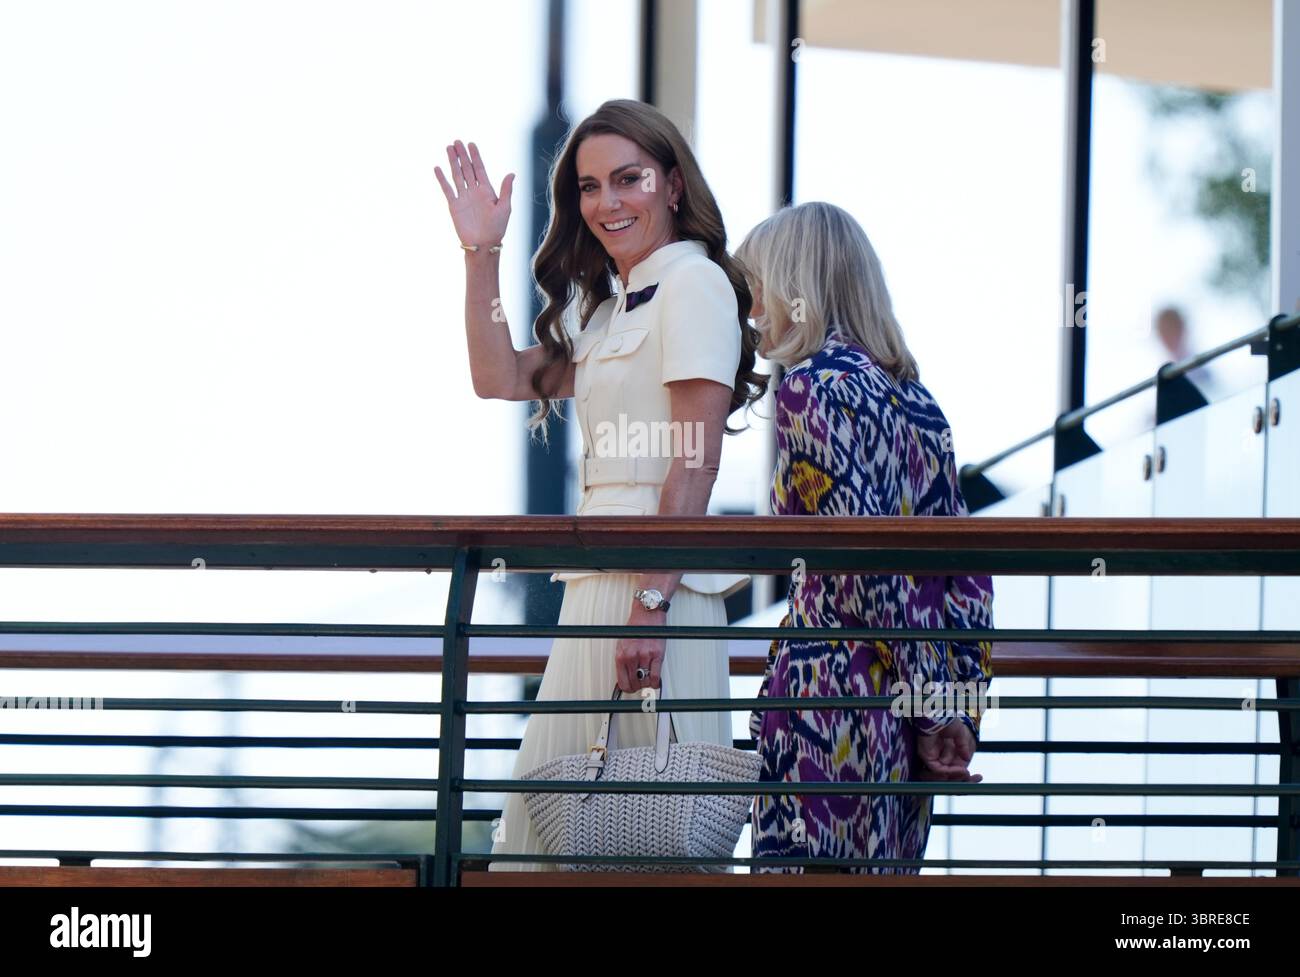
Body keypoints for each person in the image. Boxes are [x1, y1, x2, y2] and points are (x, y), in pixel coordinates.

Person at [435, 99, 765, 871]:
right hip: (594, 590)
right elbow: (499, 376)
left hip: (658, 592)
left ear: (673, 185)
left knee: (648, 844)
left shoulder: (695, 284)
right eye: (589, 187)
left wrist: (650, 605)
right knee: (543, 838)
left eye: (629, 179)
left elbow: (695, 459)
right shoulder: (606, 304)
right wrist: (481, 252)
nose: (607, 203)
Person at [734, 201, 995, 874]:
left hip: (832, 707)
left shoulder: (813, 389)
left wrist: (935, 708)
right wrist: (953, 710)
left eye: (755, 285)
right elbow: (966, 576)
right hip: (905, 729)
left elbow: (860, 568)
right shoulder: (921, 404)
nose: (752, 308)